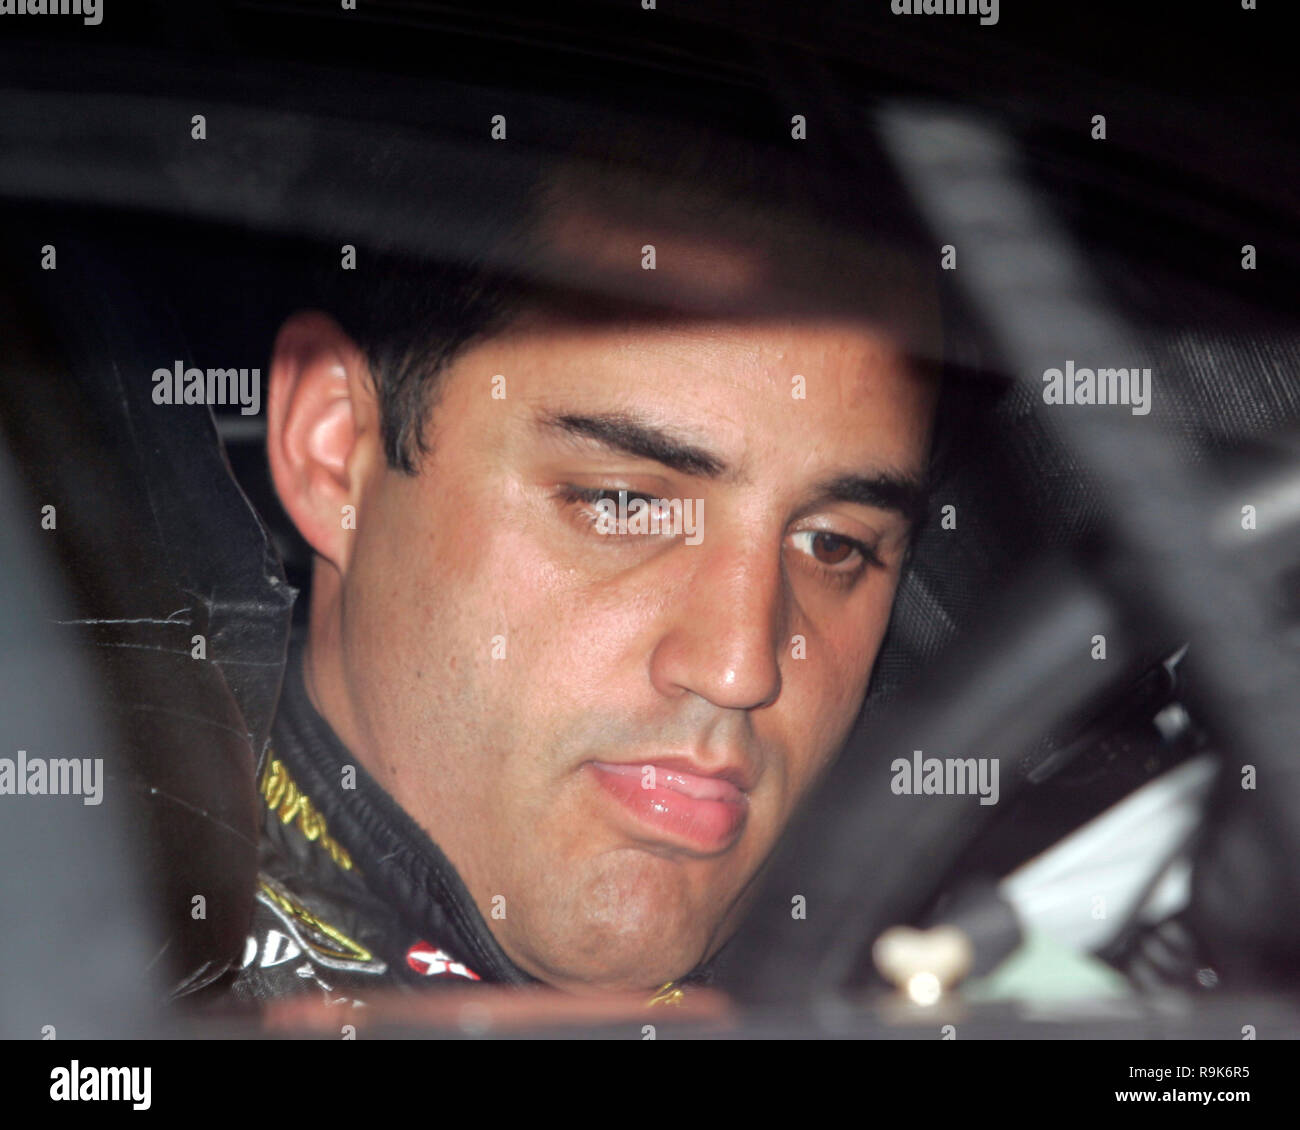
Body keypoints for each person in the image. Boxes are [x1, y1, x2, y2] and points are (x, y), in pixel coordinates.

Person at [218, 146, 942, 1016]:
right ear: (335, 453)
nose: (740, 666)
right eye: (623, 504)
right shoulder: (76, 959)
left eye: (832, 546)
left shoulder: (981, 976)